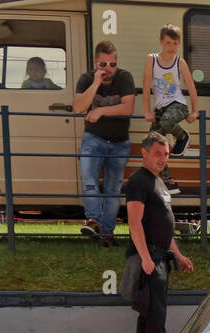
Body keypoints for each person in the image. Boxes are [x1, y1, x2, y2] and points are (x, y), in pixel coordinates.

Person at [125, 132, 194, 333]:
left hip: (160, 256)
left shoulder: (158, 181)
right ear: (143, 153)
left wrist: (179, 255)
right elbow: (134, 223)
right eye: (158, 154)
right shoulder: (138, 181)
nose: (163, 159)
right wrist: (146, 259)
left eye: (166, 154)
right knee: (154, 317)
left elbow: (163, 227)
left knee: (150, 315)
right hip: (151, 258)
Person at [73, 41, 135, 248]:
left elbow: (128, 108)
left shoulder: (124, 77)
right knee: (87, 176)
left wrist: (100, 111)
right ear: (95, 63)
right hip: (94, 139)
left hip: (119, 142)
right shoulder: (86, 79)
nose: (108, 69)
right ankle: (94, 221)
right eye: (103, 64)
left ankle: (107, 234)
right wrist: (96, 84)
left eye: (112, 64)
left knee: (113, 190)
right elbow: (78, 107)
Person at [142, 24, 199, 196]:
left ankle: (183, 136)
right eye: (168, 43)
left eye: (175, 44)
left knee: (167, 121)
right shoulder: (151, 59)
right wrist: (147, 111)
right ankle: (169, 182)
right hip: (160, 108)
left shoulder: (179, 62)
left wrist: (194, 110)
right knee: (153, 144)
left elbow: (191, 85)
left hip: (178, 105)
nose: (171, 47)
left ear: (179, 43)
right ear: (161, 41)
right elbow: (146, 86)